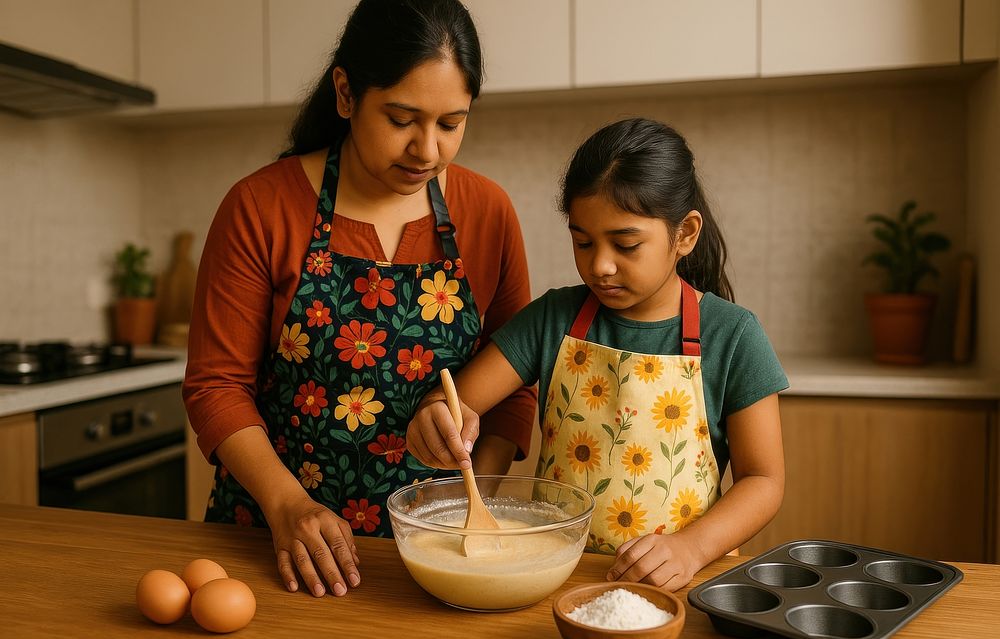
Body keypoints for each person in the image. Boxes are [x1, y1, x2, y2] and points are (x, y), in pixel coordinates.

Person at [183, 0, 536, 599]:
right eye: (402, 119)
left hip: (434, 553)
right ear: (345, 94)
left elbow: (515, 381)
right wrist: (288, 505)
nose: (427, 149)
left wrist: (468, 503)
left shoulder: (488, 212)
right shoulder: (260, 207)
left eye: (451, 123)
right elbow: (216, 388)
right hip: (277, 544)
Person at [408, 117, 788, 591]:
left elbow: (764, 481)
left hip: (678, 582)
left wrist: (691, 549)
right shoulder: (554, 319)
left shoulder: (733, 336)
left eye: (626, 244)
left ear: (685, 234)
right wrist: (435, 416)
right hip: (554, 574)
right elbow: (455, 402)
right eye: (582, 241)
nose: (600, 265)